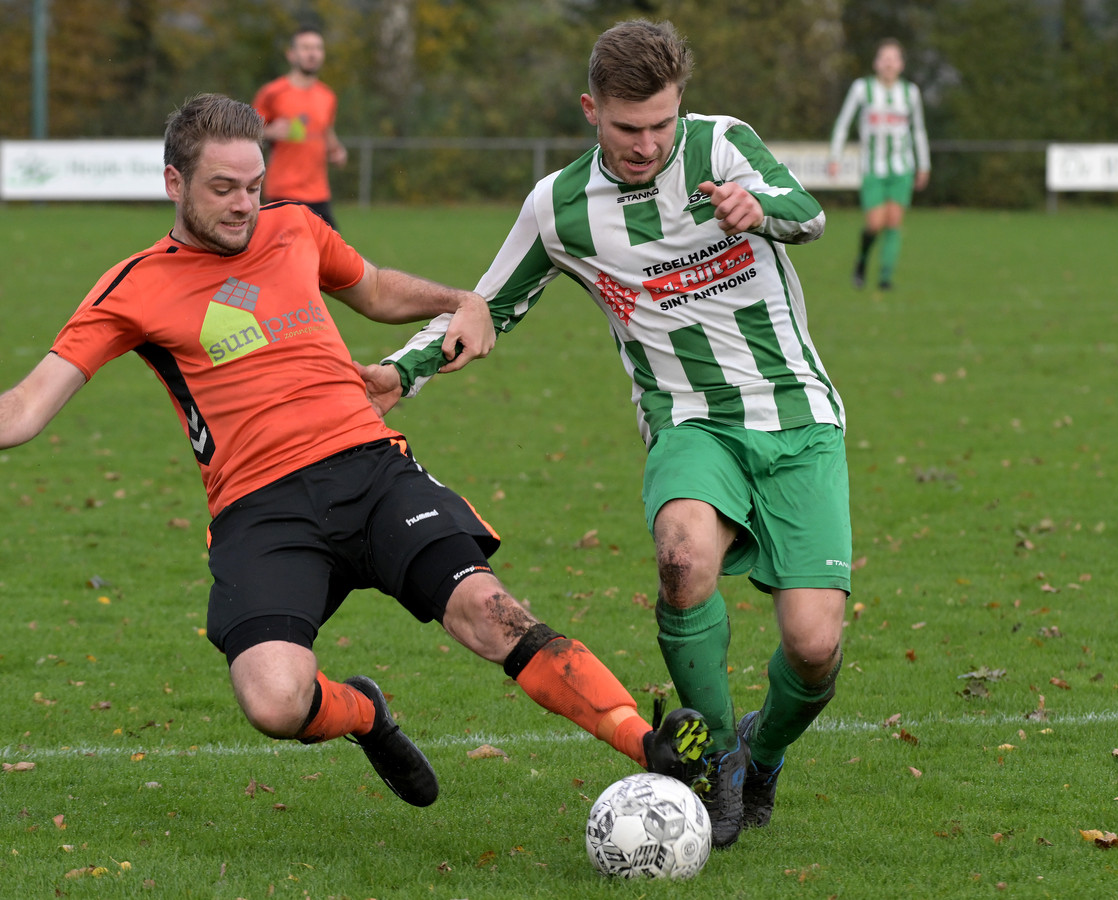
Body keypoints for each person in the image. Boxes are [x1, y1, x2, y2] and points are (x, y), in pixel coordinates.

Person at [0, 93, 710, 811]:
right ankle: (366, 713)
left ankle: (649, 747)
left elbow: (377, 287)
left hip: (369, 467)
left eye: (254, 186)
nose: (245, 205)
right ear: (174, 183)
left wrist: (461, 298)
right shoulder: (132, 287)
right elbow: (35, 399)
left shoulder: (293, 229)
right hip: (261, 507)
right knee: (275, 701)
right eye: (223, 189)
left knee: (490, 614)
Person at [359, 20, 849, 848]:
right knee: (682, 558)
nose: (647, 143)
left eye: (662, 123)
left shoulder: (723, 144)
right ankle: (720, 760)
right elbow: (491, 300)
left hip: (797, 416)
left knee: (812, 646)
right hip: (688, 422)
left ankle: (762, 754)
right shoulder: (558, 207)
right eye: (628, 127)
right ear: (591, 110)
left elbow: (809, 215)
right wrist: (400, 373)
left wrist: (756, 207)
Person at [828, 38, 930, 290]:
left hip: (901, 168)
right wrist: (835, 157)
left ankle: (885, 277)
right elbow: (843, 124)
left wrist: (923, 164)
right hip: (872, 169)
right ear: (876, 63)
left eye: (893, 58)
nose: (888, 63)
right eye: (884, 58)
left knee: (894, 221)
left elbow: (918, 131)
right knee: (875, 223)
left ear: (902, 64)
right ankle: (861, 262)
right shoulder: (862, 89)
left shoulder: (910, 93)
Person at [252, 26, 348, 231]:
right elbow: (246, 132)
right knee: (284, 258)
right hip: (284, 190)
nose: (312, 53)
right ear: (291, 54)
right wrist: (269, 132)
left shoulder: (327, 96)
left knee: (334, 258)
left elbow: (326, 130)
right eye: (305, 48)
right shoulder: (272, 93)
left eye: (317, 48)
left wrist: (336, 150)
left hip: (318, 192)